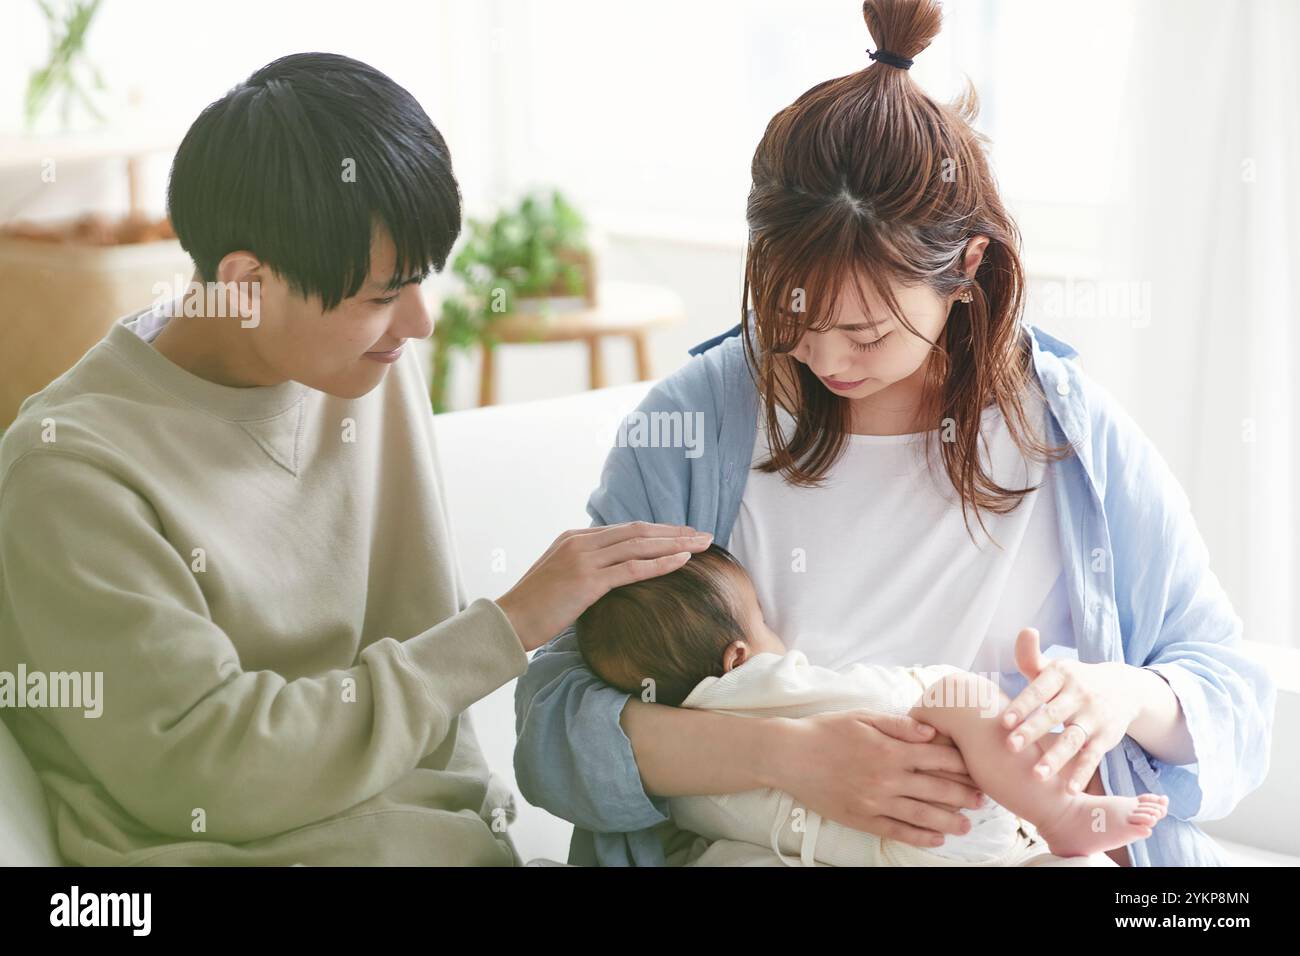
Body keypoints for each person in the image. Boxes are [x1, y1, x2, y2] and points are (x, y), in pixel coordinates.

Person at [512, 0, 1275, 867]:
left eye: (868, 332)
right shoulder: (693, 430)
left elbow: (1235, 703)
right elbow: (554, 723)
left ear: (966, 271)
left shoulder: (1072, 436)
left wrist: (1122, 694)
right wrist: (788, 758)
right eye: (790, 314)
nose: (822, 357)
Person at [0, 52, 711, 866]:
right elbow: (205, 774)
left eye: (420, 284)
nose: (419, 324)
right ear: (246, 286)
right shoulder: (72, 473)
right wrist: (507, 626)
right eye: (381, 296)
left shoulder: (366, 372)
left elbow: (439, 734)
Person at [575, 543, 1169, 866]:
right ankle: (1060, 813)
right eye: (763, 622)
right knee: (950, 692)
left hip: (876, 854)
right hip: (955, 810)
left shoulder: (675, 783)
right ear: (736, 658)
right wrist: (928, 689)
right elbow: (881, 696)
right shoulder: (769, 683)